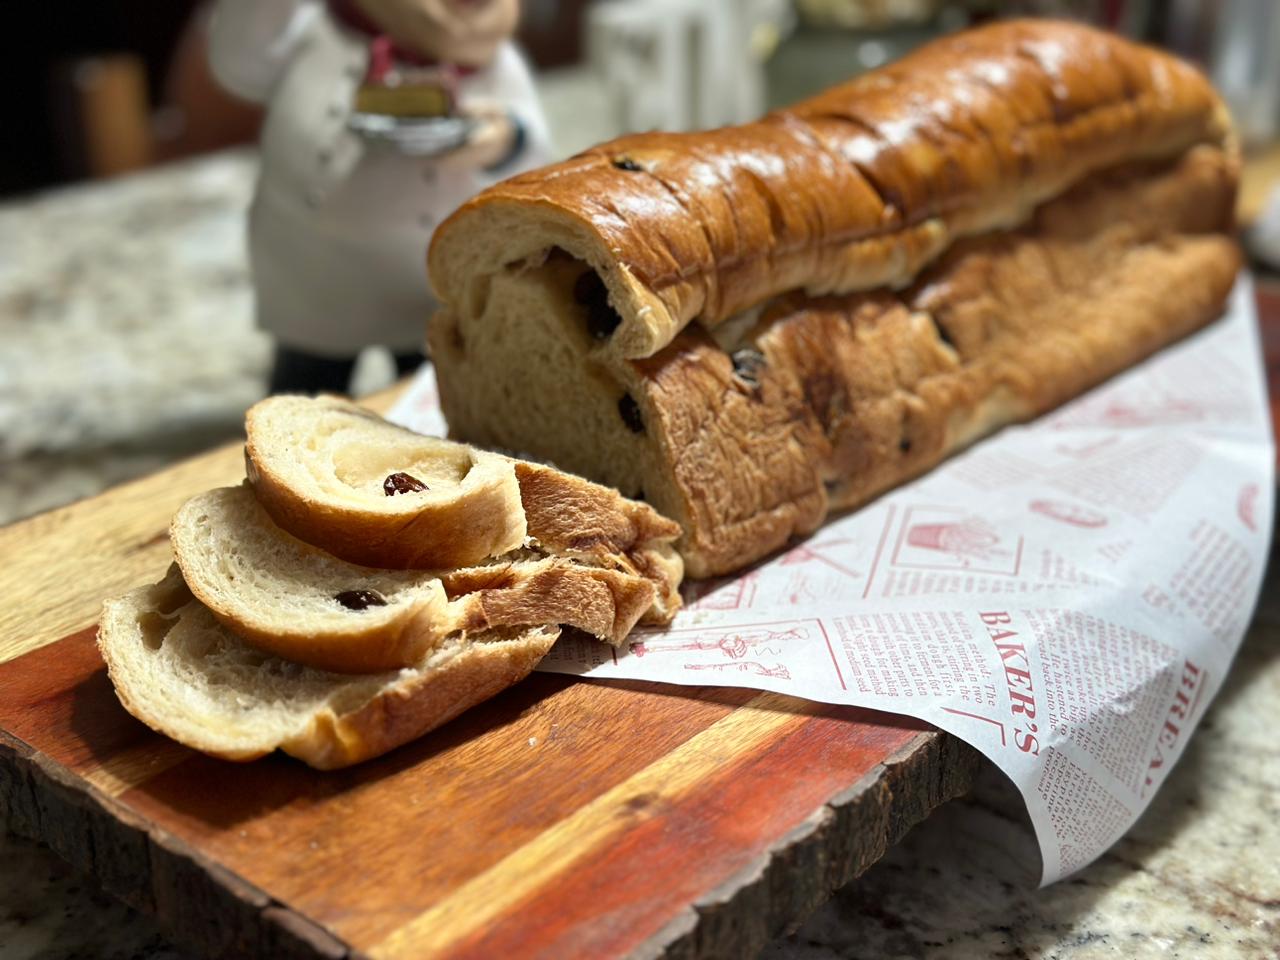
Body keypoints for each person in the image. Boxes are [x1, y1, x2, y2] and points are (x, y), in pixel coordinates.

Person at [208, 0, 550, 394]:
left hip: (423, 279)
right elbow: (237, 64)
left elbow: (535, 151)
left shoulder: (489, 55)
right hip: (314, 276)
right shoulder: (318, 27)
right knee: (303, 393)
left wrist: (507, 139)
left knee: (432, 397)